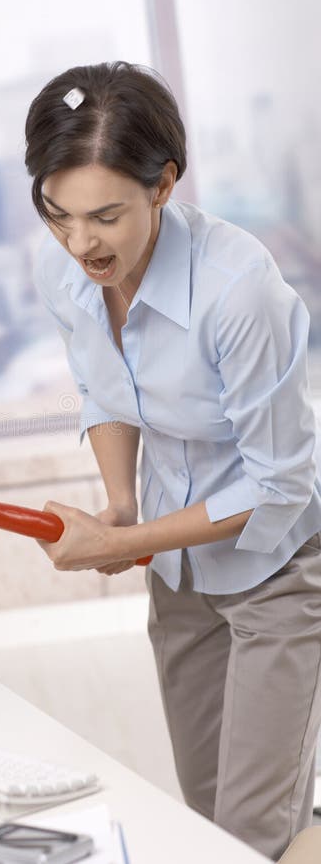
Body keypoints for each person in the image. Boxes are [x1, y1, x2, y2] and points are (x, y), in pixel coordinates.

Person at [24, 60, 321, 861]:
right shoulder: (62, 269)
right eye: (57, 213)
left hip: (279, 567)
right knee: (205, 818)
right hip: (183, 571)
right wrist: (122, 506)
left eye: (106, 216)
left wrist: (122, 544)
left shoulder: (237, 291)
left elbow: (280, 483)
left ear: (164, 185)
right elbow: (104, 389)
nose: (81, 242)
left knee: (253, 833)